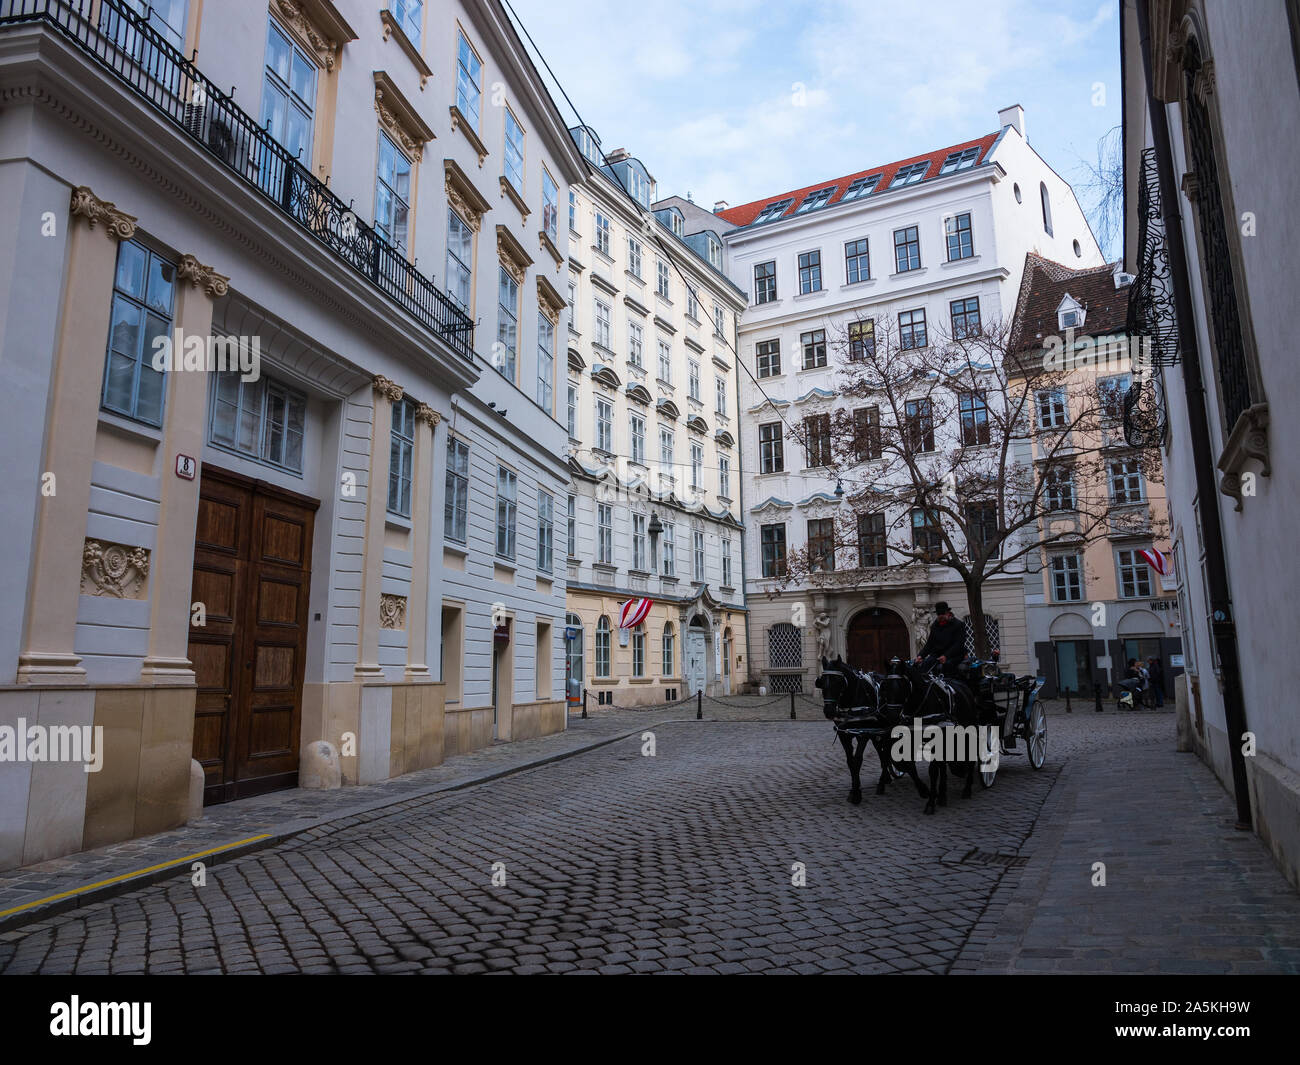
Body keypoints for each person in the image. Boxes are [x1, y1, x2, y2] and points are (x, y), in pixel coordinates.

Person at [914, 602, 968, 679]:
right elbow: (930, 644)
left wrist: (946, 656)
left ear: (948, 613)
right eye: (939, 614)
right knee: (925, 664)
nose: (941, 616)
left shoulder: (958, 624)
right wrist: (921, 656)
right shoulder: (934, 626)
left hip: (954, 655)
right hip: (937, 655)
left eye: (942, 613)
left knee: (947, 666)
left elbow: (959, 644)